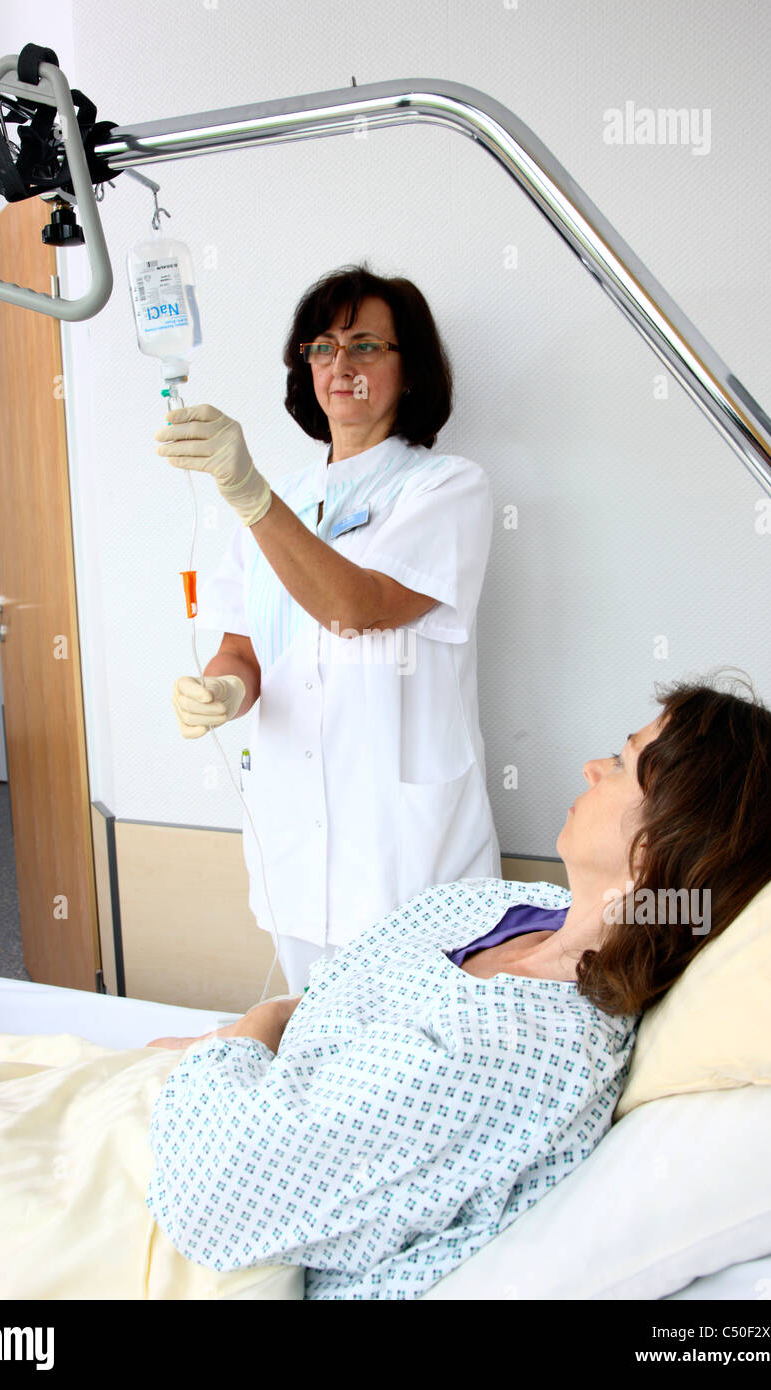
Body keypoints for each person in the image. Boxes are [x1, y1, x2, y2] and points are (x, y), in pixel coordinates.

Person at [145, 676, 771, 1299]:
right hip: (194, 1100)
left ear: (654, 846)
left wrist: (250, 1031)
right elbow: (326, 1002)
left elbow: (215, 1204)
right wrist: (247, 1037)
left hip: (187, 1206)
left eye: (620, 762)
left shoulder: (532, 1048)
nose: (591, 767)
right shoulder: (506, 908)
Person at [154, 263, 500, 993]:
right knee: (313, 1028)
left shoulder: (446, 488)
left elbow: (357, 608)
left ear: (410, 373)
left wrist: (248, 495)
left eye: (365, 345)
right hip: (293, 832)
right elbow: (242, 646)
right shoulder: (285, 502)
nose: (339, 365)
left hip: (404, 841)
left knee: (416, 1051)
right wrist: (223, 690)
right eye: (321, 347)